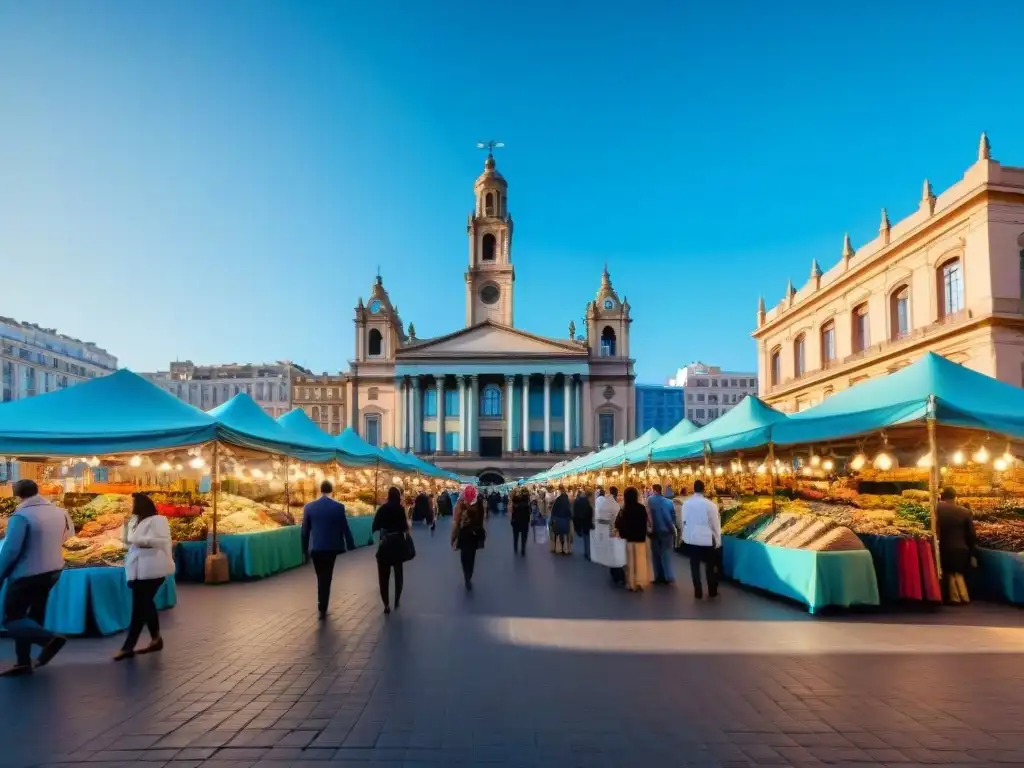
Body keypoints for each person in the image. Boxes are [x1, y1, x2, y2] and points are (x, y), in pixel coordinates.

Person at [0, 479, 74, 676]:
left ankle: (49, 639)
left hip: (26, 573)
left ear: (17, 494)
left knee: (12, 619)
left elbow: (10, 551)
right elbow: (66, 537)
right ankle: (23, 662)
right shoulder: (58, 512)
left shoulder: (21, 516)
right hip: (52, 571)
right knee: (29, 617)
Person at [114, 493, 175, 661]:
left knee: (140, 607)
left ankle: (128, 647)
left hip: (153, 568)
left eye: (131, 502)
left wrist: (138, 540)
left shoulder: (158, 520)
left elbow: (161, 540)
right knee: (144, 604)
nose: (129, 505)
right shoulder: (134, 521)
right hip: (138, 569)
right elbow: (128, 541)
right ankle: (156, 639)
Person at [301, 480, 356, 619]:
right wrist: (350, 543)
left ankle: (321, 601)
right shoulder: (339, 507)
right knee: (327, 575)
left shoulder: (309, 507)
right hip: (331, 548)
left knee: (319, 575)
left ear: (320, 490)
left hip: (316, 548)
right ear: (332, 491)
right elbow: (345, 527)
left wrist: (304, 550)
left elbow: (304, 531)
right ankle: (323, 604)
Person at [936, 487, 979, 604]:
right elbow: (971, 534)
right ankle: (963, 597)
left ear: (943, 497)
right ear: (955, 497)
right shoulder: (965, 512)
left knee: (950, 572)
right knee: (958, 572)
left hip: (945, 546)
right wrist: (972, 552)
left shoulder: (938, 509)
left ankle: (955, 597)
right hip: (962, 547)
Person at [681, 479, 722, 599]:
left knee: (694, 564)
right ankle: (712, 590)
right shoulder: (711, 505)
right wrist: (718, 540)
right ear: (704, 489)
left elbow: (683, 521)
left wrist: (685, 535)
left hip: (692, 538)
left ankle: (697, 591)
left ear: (693, 489)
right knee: (710, 565)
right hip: (707, 539)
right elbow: (715, 524)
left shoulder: (686, 504)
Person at [372, 486, 410, 614]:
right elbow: (405, 527)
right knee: (398, 574)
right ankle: (397, 600)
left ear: (388, 496)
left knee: (383, 576)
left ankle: (386, 605)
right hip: (398, 544)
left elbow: (375, 526)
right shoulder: (400, 509)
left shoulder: (382, 509)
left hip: (385, 545)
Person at [615, 487, 652, 592]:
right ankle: (639, 582)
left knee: (630, 563)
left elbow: (618, 523)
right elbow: (645, 522)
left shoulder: (624, 509)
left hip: (629, 539)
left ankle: (631, 584)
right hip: (640, 538)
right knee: (640, 562)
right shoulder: (641, 508)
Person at [452, 486, 485, 590]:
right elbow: (481, 520)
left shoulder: (460, 504)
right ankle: (469, 575)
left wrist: (453, 537)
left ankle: (466, 575)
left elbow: (456, 522)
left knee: (464, 557)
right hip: (474, 535)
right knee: (472, 557)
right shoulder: (479, 504)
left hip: (463, 534)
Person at [647, 484, 678, 585]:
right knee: (666, 554)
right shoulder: (669, 502)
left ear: (654, 490)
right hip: (666, 531)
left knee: (656, 555)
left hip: (655, 531)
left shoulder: (650, 500)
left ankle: (658, 576)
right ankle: (668, 576)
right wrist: (672, 530)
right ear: (661, 490)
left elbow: (648, 515)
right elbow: (673, 517)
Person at [595, 487, 625, 587]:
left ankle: (614, 572)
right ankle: (618, 575)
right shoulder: (615, 505)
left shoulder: (606, 502)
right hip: (614, 531)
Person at [572, 488, 595, 560]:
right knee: (588, 539)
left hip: (583, 524)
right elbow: (588, 514)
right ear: (590, 496)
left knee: (586, 539)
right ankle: (588, 554)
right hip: (587, 523)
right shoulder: (587, 504)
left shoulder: (581, 501)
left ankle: (586, 553)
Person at [550, 487, 572, 554]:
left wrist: (552, 519)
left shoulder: (557, 500)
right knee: (565, 535)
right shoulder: (567, 501)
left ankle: (557, 549)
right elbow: (569, 511)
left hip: (557, 520)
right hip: (565, 520)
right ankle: (566, 549)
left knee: (557, 534)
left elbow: (553, 511)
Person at [510, 488, 531, 556]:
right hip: (524, 523)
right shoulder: (526, 505)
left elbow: (513, 513)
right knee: (523, 536)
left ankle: (515, 548)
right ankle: (523, 549)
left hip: (516, 522)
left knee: (515, 536)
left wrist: (512, 520)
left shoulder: (515, 504)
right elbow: (529, 513)